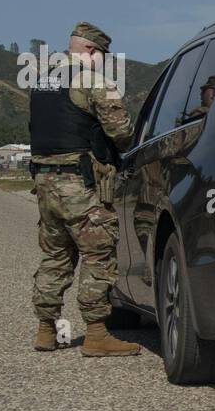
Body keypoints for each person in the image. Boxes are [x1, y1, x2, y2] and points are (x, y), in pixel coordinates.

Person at [29, 21, 140, 356]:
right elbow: (121, 133)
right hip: (80, 184)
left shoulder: (41, 82)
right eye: (103, 56)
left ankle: (46, 330)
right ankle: (96, 334)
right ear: (92, 51)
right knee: (98, 255)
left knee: (56, 256)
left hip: (44, 183)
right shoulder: (94, 82)